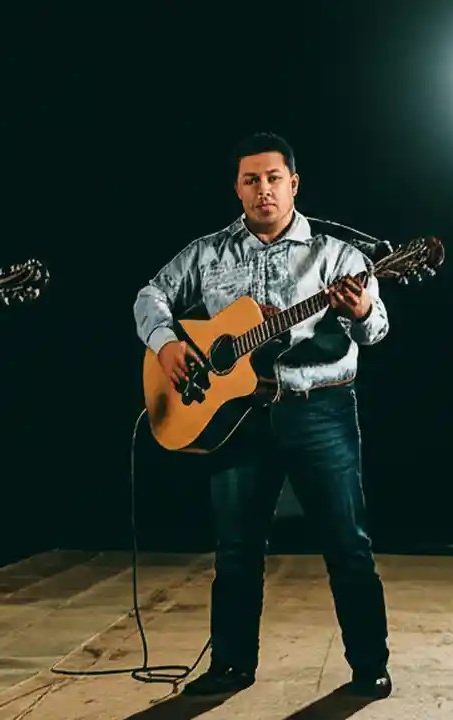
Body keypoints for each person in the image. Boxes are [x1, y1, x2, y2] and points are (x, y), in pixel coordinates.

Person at [132, 132, 394, 699]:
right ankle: (230, 665)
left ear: (293, 183)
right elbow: (149, 294)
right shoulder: (208, 252)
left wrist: (364, 307)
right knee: (235, 548)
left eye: (274, 178)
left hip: (319, 409)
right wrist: (166, 343)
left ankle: (369, 664)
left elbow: (376, 332)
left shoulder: (338, 253)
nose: (263, 189)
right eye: (251, 180)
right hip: (238, 420)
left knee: (347, 542)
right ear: (237, 188)